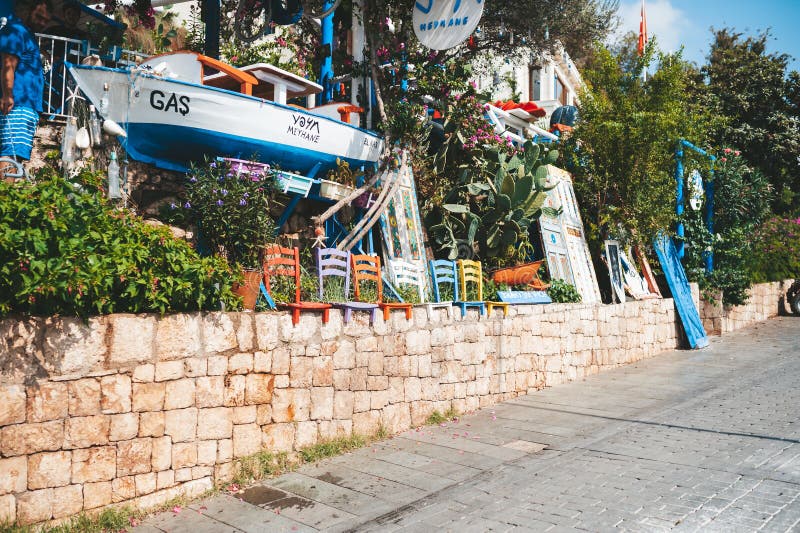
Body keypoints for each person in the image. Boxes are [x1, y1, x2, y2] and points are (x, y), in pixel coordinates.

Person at [0, 0, 47, 166]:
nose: (42, 23)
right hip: (17, 105)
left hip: (24, 105)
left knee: (13, 156)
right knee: (10, 156)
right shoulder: (17, 30)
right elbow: (8, 64)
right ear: (27, 10)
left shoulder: (24, 33)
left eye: (45, 20)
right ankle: (6, 185)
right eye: (39, 17)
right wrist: (7, 96)